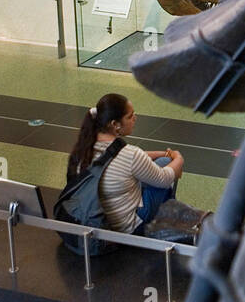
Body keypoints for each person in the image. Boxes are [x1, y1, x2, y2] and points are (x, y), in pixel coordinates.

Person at [65, 93, 183, 235]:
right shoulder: (130, 154)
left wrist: (160, 153)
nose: (135, 118)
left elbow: (126, 159)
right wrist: (177, 158)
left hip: (95, 216)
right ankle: (166, 225)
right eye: (130, 116)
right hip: (126, 226)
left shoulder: (84, 147)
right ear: (115, 124)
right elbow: (164, 179)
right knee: (166, 165)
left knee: (160, 161)